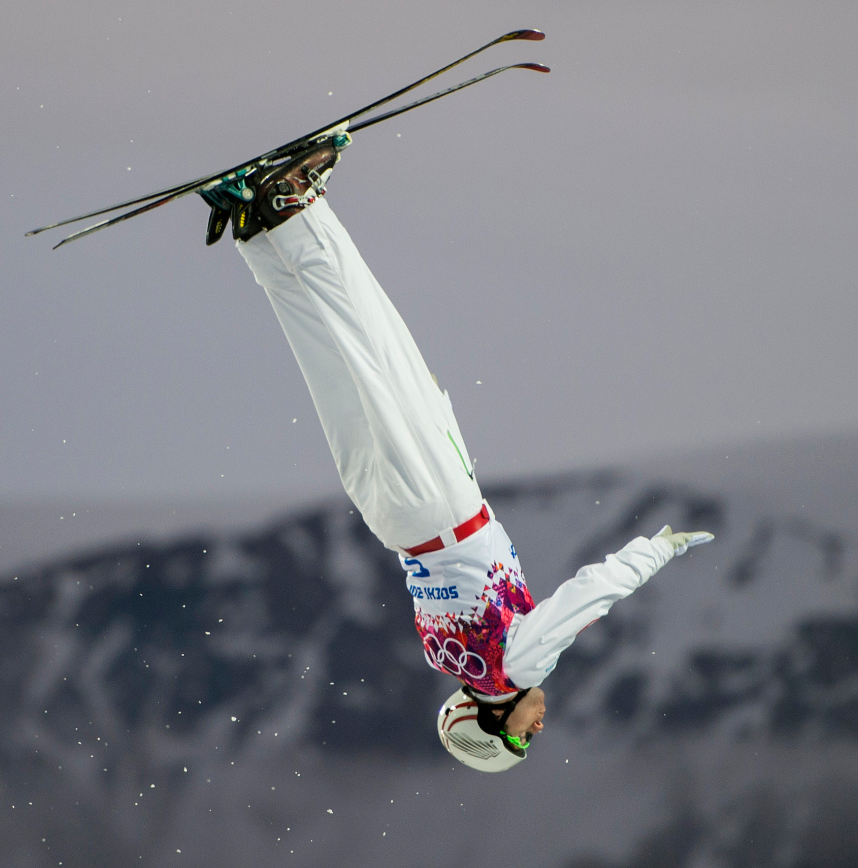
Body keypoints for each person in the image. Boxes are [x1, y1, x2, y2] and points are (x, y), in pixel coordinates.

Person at [198, 132, 713, 772]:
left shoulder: (513, 668)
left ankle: (294, 206)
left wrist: (655, 551)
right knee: (333, 361)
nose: (537, 728)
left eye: (521, 739)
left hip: (439, 503)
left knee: (376, 344)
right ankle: (258, 229)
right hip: (394, 519)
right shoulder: (447, 660)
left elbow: (589, 596)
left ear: (492, 722)